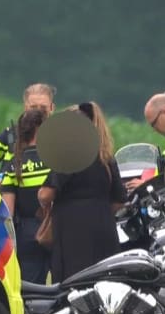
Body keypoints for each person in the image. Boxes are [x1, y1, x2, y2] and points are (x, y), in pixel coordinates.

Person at [38, 101, 127, 281]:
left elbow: (46, 194)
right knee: (105, 284)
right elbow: (119, 200)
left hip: (74, 235)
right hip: (105, 231)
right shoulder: (106, 157)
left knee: (75, 287)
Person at [0, 109, 51, 284]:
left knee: (31, 289)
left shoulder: (15, 163)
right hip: (56, 228)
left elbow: (7, 212)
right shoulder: (54, 158)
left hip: (27, 234)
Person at [0, 83, 56, 172]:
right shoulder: (10, 135)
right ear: (25, 108)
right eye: (33, 107)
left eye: (43, 108)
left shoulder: (61, 137)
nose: (38, 112)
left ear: (52, 108)